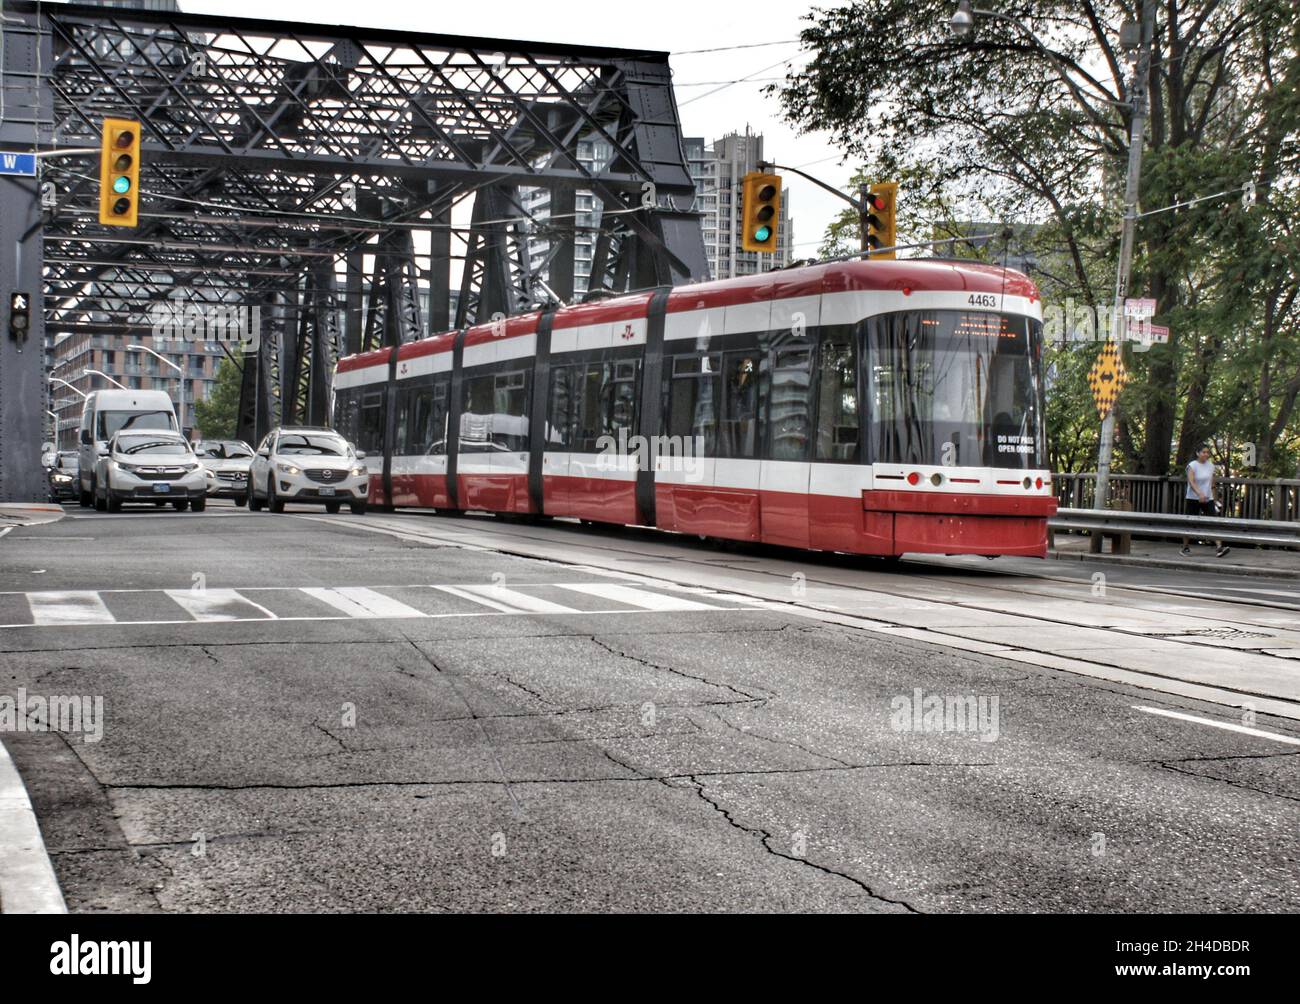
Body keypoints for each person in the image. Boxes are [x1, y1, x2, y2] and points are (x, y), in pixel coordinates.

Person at [1181, 445, 1229, 557]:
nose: (1206, 454)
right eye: (1203, 452)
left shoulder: (1211, 466)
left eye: (1208, 452)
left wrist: (1215, 498)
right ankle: (1185, 547)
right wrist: (1199, 493)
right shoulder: (1192, 466)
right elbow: (1191, 482)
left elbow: (1212, 483)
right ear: (1198, 453)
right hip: (1193, 498)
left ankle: (1219, 547)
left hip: (1208, 498)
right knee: (1189, 523)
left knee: (1213, 521)